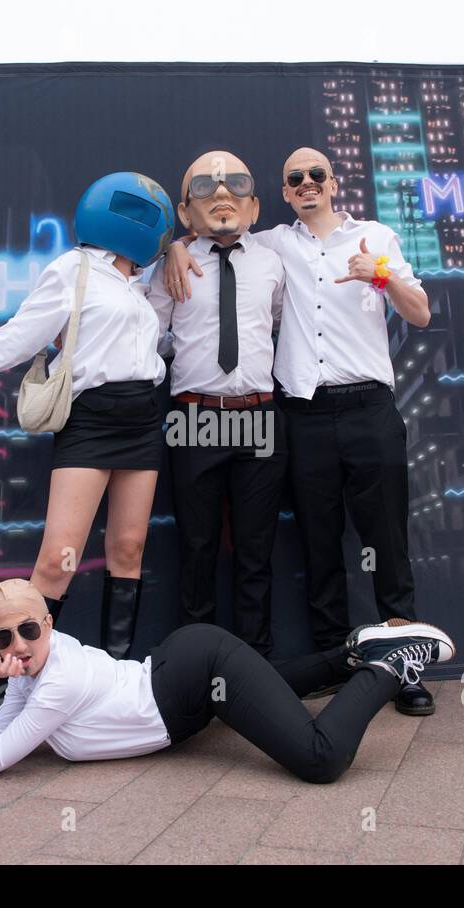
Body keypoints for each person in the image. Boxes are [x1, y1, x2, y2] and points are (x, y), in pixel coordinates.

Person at [163, 147, 437, 715]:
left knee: (386, 540)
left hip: (368, 406)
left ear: (333, 182)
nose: (307, 182)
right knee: (318, 546)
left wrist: (381, 275)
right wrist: (173, 245)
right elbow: (218, 234)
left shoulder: (377, 238)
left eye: (317, 174)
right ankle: (331, 664)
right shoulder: (270, 244)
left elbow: (421, 313)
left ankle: (404, 667)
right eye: (296, 178)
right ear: (283, 195)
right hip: (301, 414)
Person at [0, 172, 174, 660]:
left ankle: (114, 680)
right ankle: (19, 683)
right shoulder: (73, 270)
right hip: (92, 419)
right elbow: (23, 332)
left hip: (143, 418)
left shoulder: (139, 282)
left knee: (128, 552)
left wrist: (175, 253)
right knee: (60, 560)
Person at [0, 578, 454, 790]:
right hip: (186, 693)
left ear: (49, 625)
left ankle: (393, 662)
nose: (17, 646)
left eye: (29, 629)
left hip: (192, 674)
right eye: (1, 640)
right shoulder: (32, 669)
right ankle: (355, 651)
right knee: (264, 694)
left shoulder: (58, 679)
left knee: (321, 759)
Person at [146, 151, 287, 655]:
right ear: (185, 213)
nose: (222, 194)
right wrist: (173, 249)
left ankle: (258, 664)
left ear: (254, 207)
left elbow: (273, 323)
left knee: (255, 549)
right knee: (196, 546)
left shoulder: (274, 262)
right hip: (192, 415)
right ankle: (193, 664)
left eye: (236, 185)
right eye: (205, 187)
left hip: (260, 414)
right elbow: (151, 334)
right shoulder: (172, 266)